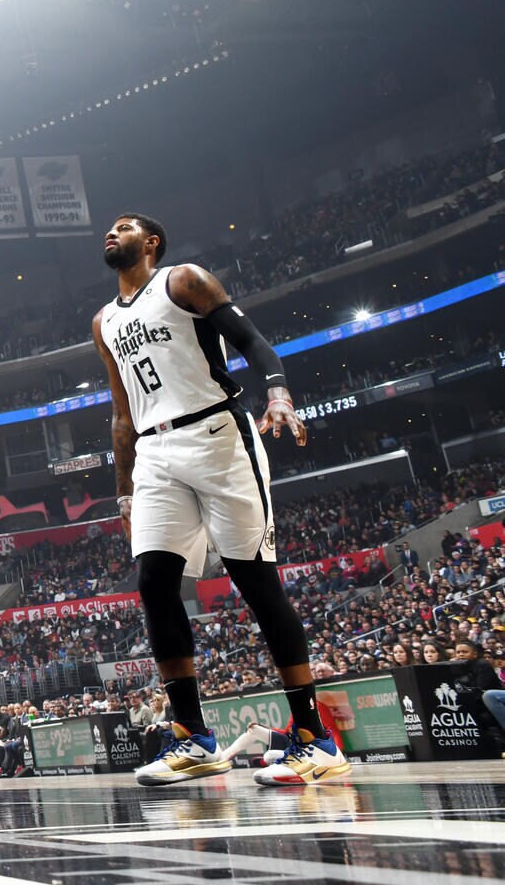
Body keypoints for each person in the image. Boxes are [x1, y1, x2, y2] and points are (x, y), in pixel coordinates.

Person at [92, 213, 348, 787]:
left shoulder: (183, 280)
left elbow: (252, 341)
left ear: (151, 242)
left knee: (255, 582)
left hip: (218, 436)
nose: (111, 233)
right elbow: (120, 409)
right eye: (108, 228)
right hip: (154, 452)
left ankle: (314, 737)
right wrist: (123, 486)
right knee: (154, 584)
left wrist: (278, 392)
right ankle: (193, 738)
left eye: (125, 226)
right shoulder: (104, 320)